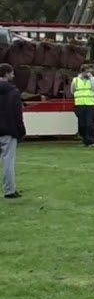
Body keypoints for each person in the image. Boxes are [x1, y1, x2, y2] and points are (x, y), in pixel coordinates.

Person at [0, 63, 26, 198]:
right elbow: (17, 114)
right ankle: (9, 190)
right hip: (8, 129)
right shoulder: (13, 92)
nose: (13, 75)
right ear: (7, 74)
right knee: (8, 161)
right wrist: (21, 130)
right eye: (12, 73)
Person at [71, 63, 94, 147]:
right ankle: (85, 140)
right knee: (82, 125)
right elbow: (72, 91)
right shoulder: (75, 80)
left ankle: (91, 142)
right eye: (87, 72)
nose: (89, 73)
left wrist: (91, 78)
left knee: (90, 124)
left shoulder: (93, 79)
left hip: (90, 105)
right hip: (80, 105)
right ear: (82, 72)